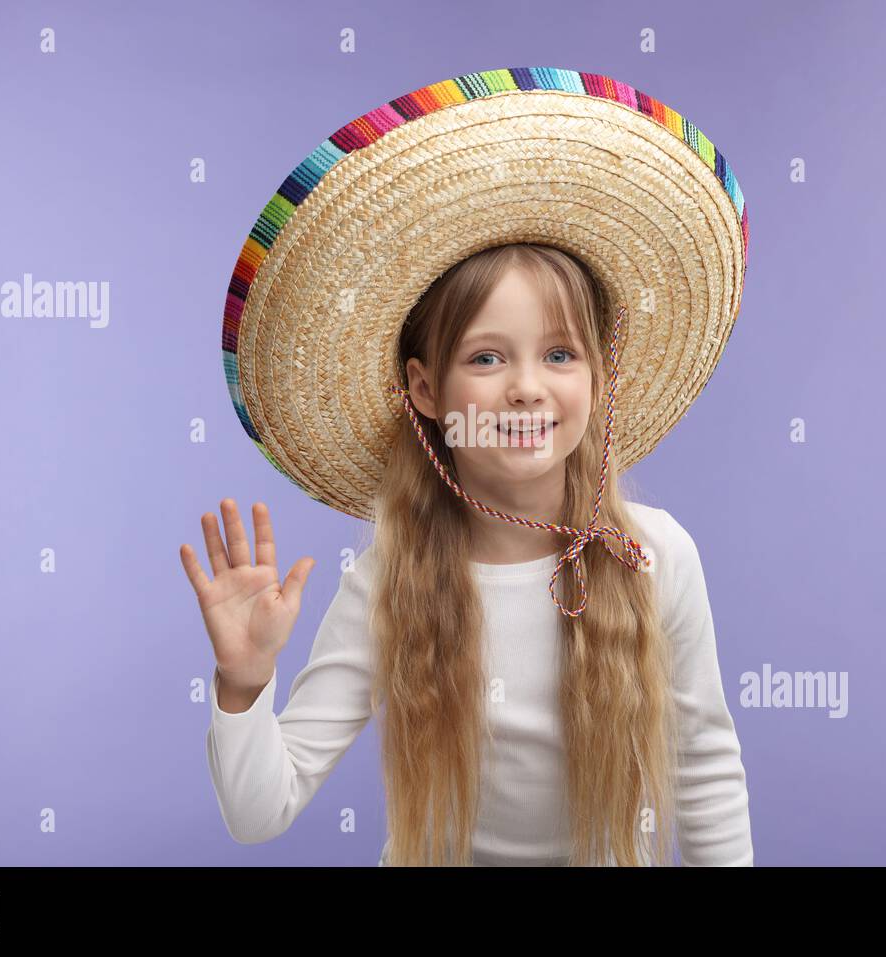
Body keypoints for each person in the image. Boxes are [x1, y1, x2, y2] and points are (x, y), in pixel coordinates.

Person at [180, 67, 753, 866]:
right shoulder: (392, 576)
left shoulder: (656, 556)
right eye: (486, 357)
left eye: (559, 352)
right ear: (426, 388)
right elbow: (257, 811)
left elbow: (707, 773)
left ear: (598, 377)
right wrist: (243, 684)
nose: (525, 386)